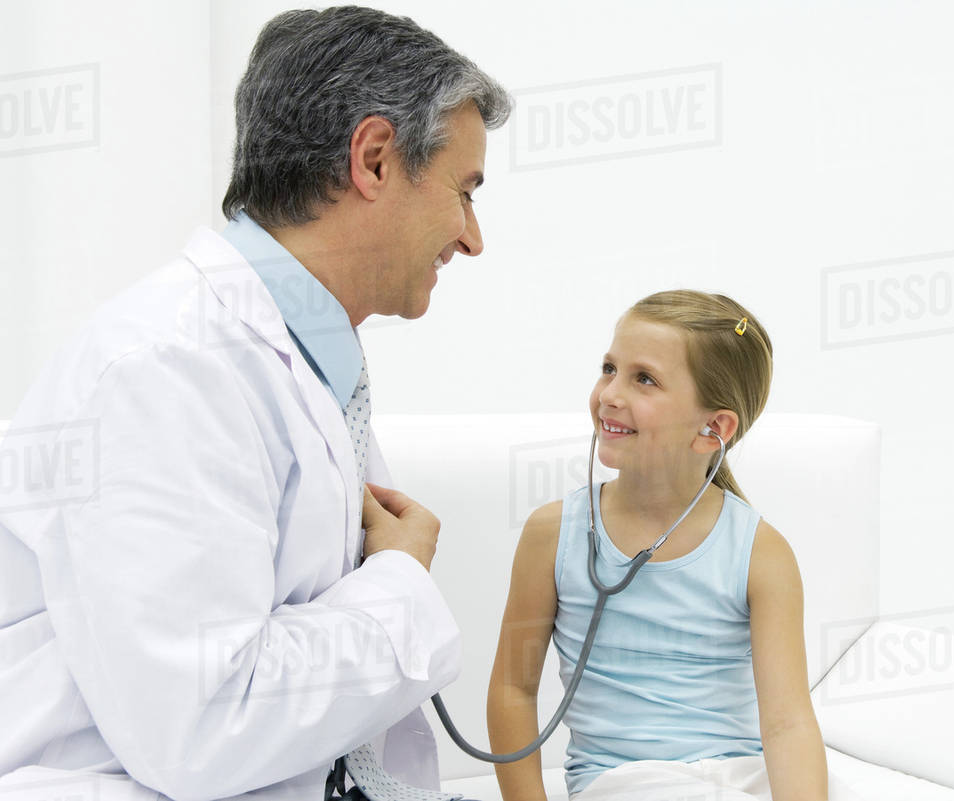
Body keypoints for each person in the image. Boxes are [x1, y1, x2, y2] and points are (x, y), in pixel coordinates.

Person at [0, 7, 511, 801]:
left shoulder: (300, 357)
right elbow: (205, 725)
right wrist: (402, 579)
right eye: (464, 191)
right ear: (374, 159)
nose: (473, 238)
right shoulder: (165, 365)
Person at [487, 290, 840, 801]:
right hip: (624, 784)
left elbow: (787, 725)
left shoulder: (760, 552)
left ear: (712, 429)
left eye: (643, 379)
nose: (610, 393)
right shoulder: (554, 533)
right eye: (609, 368)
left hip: (742, 778)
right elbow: (512, 692)